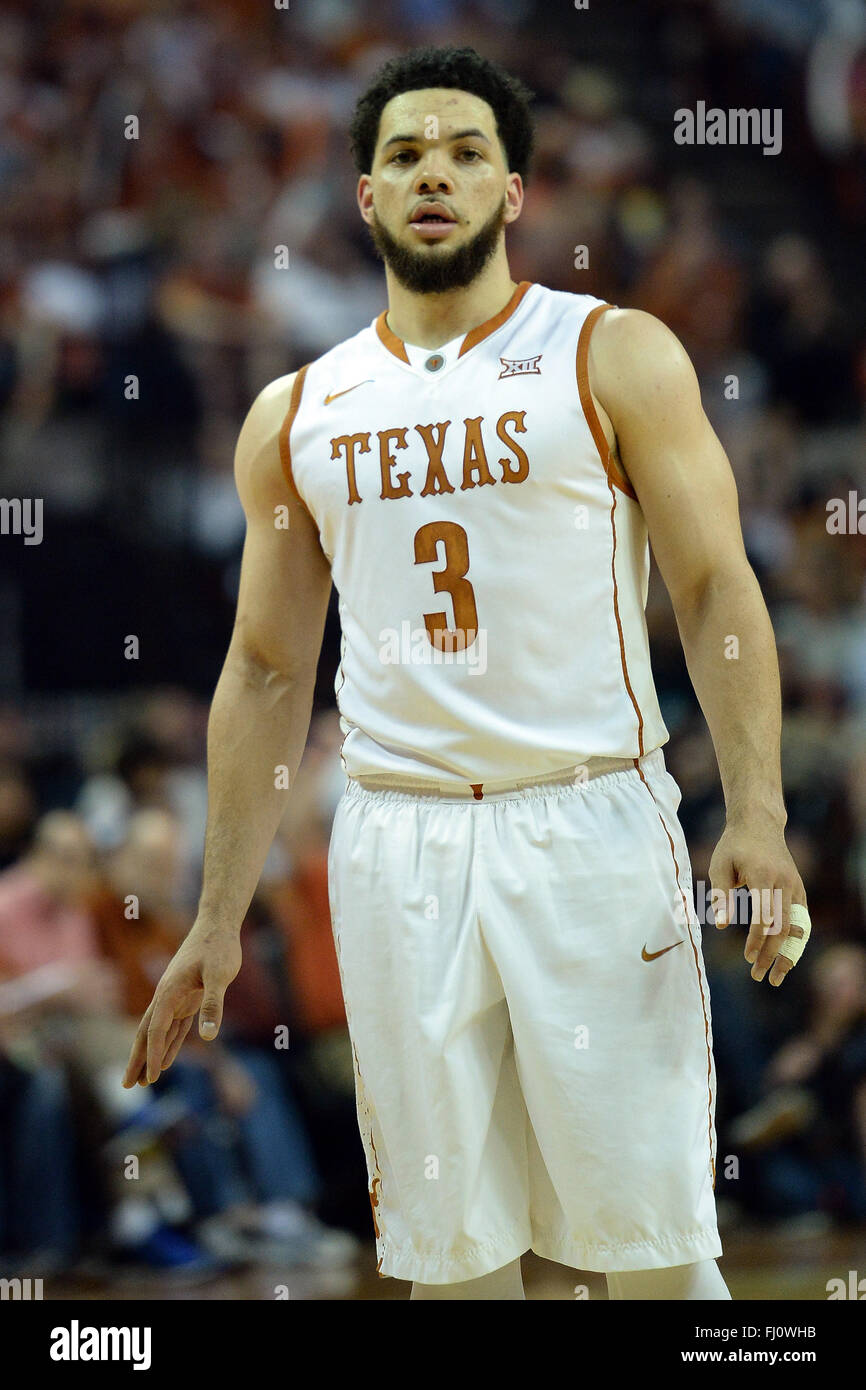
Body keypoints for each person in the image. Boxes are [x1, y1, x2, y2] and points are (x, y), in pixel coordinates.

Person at [123, 45, 811, 1301]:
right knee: (451, 1270)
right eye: (402, 155)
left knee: (654, 1254)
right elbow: (268, 668)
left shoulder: (611, 353)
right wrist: (214, 918)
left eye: (464, 152)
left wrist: (756, 815)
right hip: (399, 846)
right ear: (365, 197)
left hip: (589, 820)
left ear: (512, 191)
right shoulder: (297, 409)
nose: (432, 172)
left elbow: (715, 590)